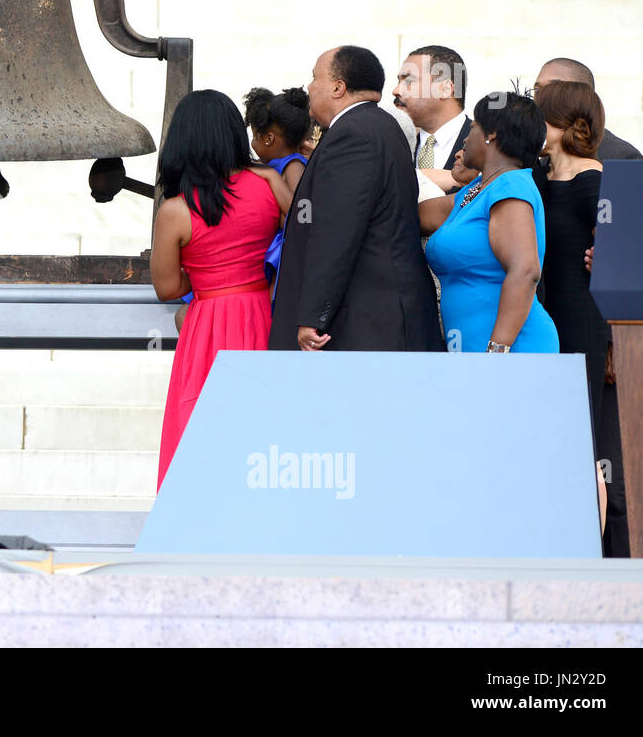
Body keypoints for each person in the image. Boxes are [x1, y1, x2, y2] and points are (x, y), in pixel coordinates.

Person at [152, 90, 292, 487]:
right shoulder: (268, 183)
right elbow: (302, 238)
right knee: (263, 426)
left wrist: (206, 276)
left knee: (201, 426)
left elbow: (166, 287)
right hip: (264, 312)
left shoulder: (177, 211)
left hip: (209, 323)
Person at [269, 46, 444, 352]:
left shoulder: (353, 135)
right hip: (381, 316)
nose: (308, 87)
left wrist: (313, 315)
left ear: (338, 87)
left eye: (314, 78)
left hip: (366, 320)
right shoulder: (377, 126)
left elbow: (337, 231)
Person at [534, 80, 627, 552]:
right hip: (544, 317)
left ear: (558, 124)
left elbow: (628, 245)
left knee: (583, 438)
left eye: (539, 114)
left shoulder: (594, 179)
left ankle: (590, 549)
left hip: (581, 320)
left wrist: (605, 256)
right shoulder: (539, 175)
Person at [420, 91, 559, 353]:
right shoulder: (477, 191)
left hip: (508, 352)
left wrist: (497, 352)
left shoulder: (510, 186)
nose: (465, 137)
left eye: (472, 127)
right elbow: (420, 215)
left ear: (491, 134)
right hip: (475, 350)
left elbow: (525, 271)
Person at [243, 86, 311, 285]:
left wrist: (271, 178)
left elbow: (303, 214)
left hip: (287, 254)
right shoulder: (273, 166)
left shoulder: (293, 166)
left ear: (268, 138)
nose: (253, 143)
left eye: (255, 136)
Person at [391, 44, 472, 192]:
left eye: (409, 81)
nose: (396, 91)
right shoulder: (391, 142)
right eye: (398, 81)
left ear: (445, 89)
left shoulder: (487, 145)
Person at [533, 58, 643, 160]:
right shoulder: (545, 158)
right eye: (537, 90)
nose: (543, 96)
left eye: (555, 89)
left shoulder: (620, 157)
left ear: (583, 95)